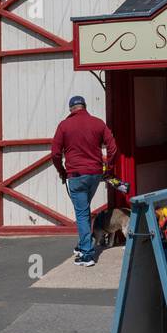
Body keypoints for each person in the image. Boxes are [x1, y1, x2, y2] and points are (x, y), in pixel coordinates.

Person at [51, 95, 117, 267]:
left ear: (71, 109)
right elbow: (112, 147)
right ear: (85, 106)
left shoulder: (64, 126)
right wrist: (108, 167)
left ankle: (87, 254)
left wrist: (62, 171)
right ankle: (82, 245)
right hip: (95, 174)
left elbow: (55, 153)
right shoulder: (98, 123)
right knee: (84, 210)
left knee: (81, 213)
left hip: (76, 175)